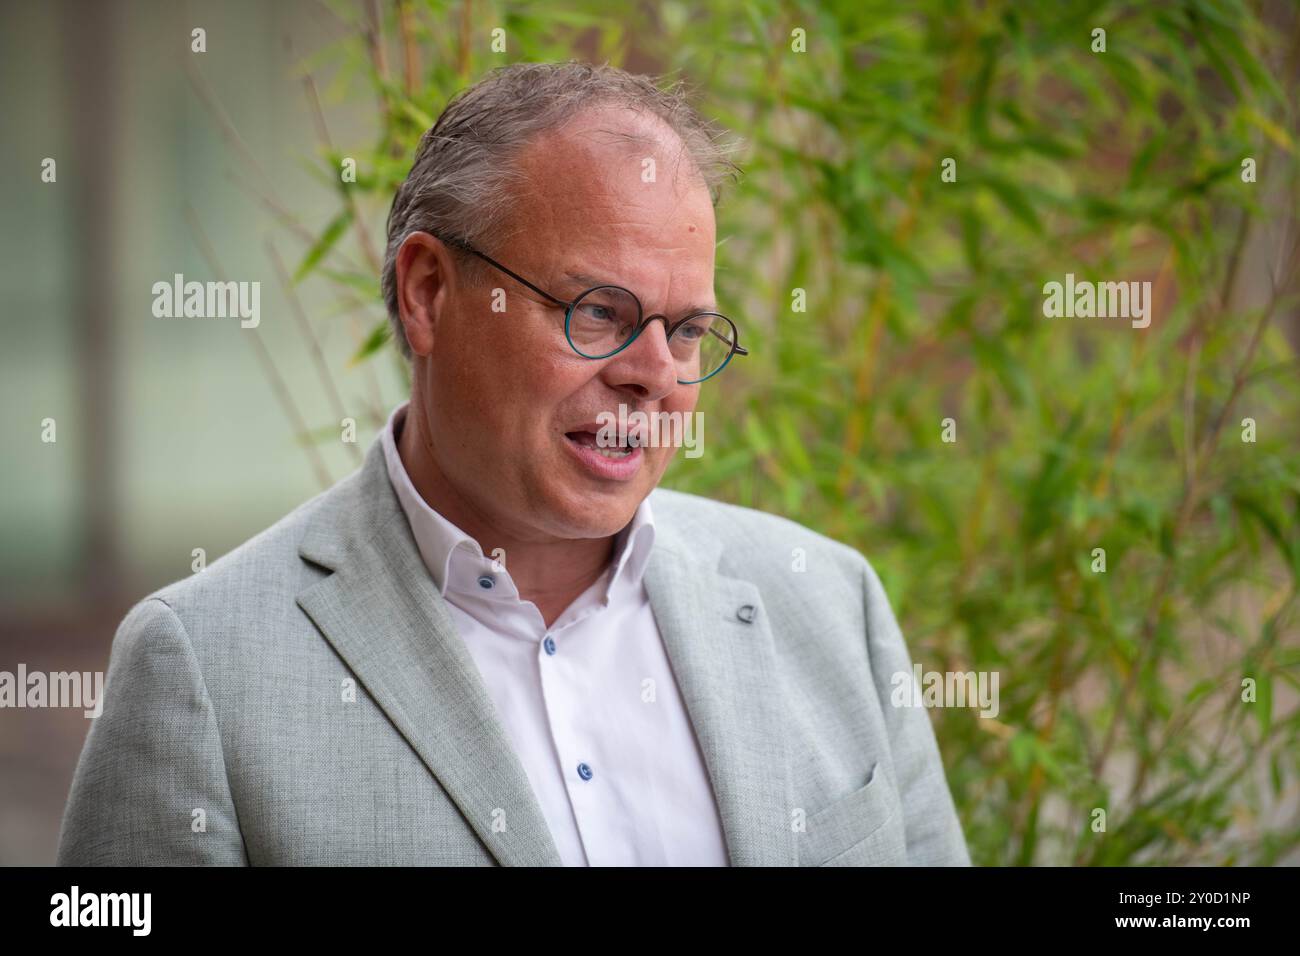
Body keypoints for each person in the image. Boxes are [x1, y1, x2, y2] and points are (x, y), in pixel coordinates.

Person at [58, 61, 969, 866]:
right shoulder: (204, 670)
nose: (654, 375)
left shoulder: (828, 602)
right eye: (598, 312)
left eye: (687, 329)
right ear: (428, 294)